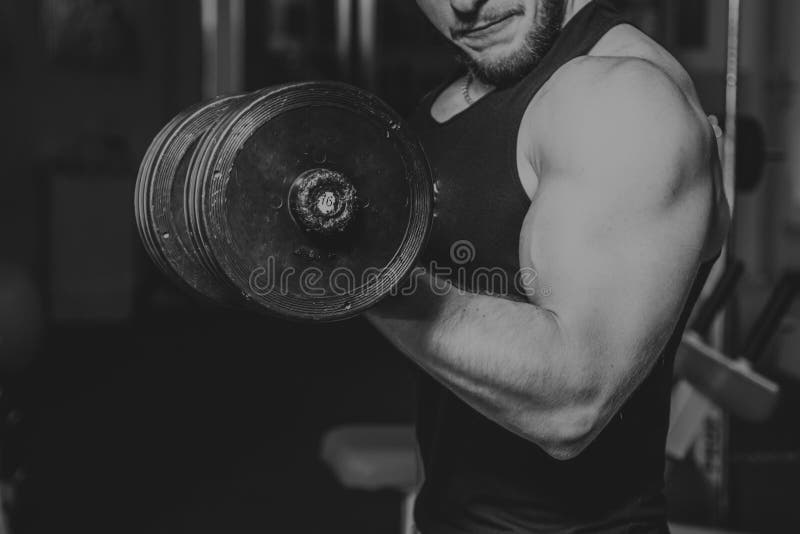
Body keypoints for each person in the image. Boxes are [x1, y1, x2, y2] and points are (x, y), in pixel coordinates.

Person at [364, 0, 731, 532]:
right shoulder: (459, 92)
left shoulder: (621, 100)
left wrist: (360, 272)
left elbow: (574, 397)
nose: (464, 4)